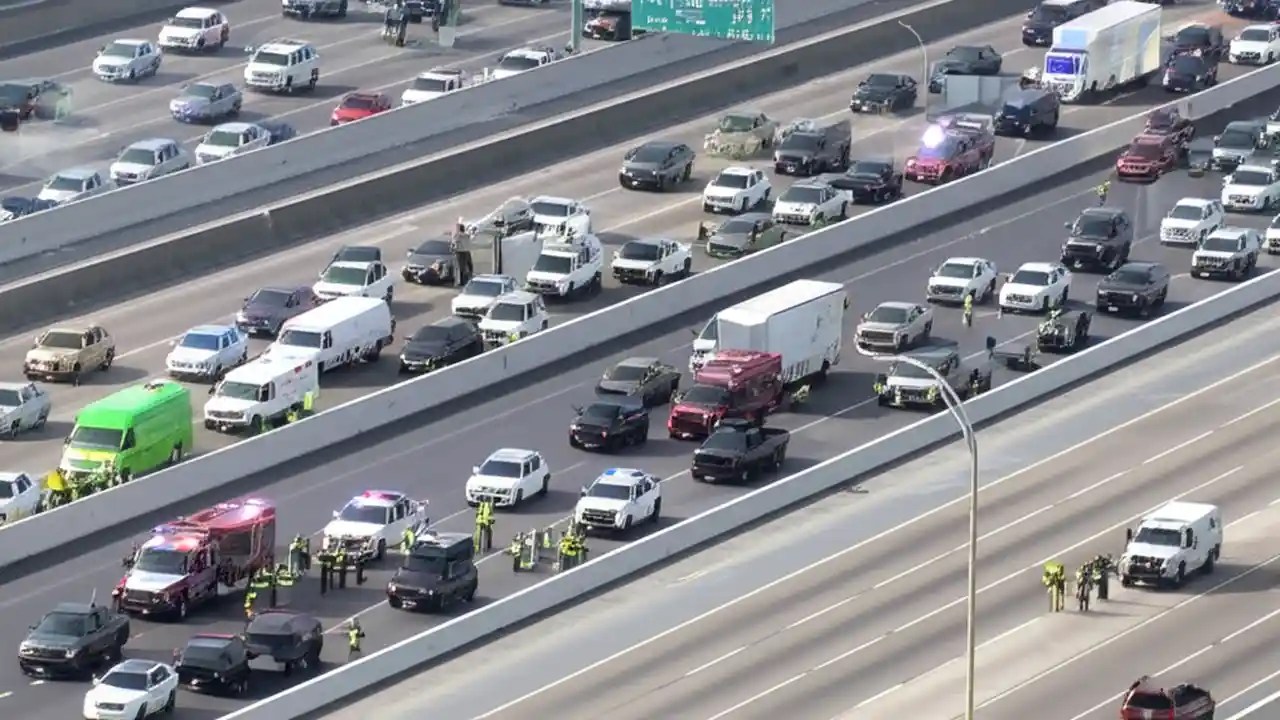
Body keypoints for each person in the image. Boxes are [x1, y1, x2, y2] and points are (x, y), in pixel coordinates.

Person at [451, 218, 474, 287]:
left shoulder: (458, 236)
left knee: (462, 267)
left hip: (461, 252)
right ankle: (469, 278)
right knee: (469, 266)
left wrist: (453, 249)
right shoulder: (465, 235)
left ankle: (462, 281)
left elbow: (454, 243)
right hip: (466, 252)